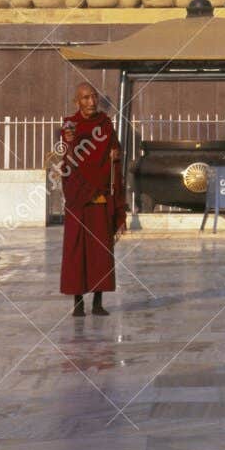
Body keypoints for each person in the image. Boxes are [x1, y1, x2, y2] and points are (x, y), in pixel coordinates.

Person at [57, 81, 126, 316]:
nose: (91, 102)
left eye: (94, 97)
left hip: (100, 197)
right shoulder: (70, 125)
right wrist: (68, 140)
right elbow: (66, 153)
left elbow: (115, 149)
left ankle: (98, 302)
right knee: (77, 250)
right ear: (77, 102)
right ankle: (78, 303)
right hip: (79, 197)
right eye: (85, 98)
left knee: (100, 251)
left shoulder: (105, 124)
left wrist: (115, 155)